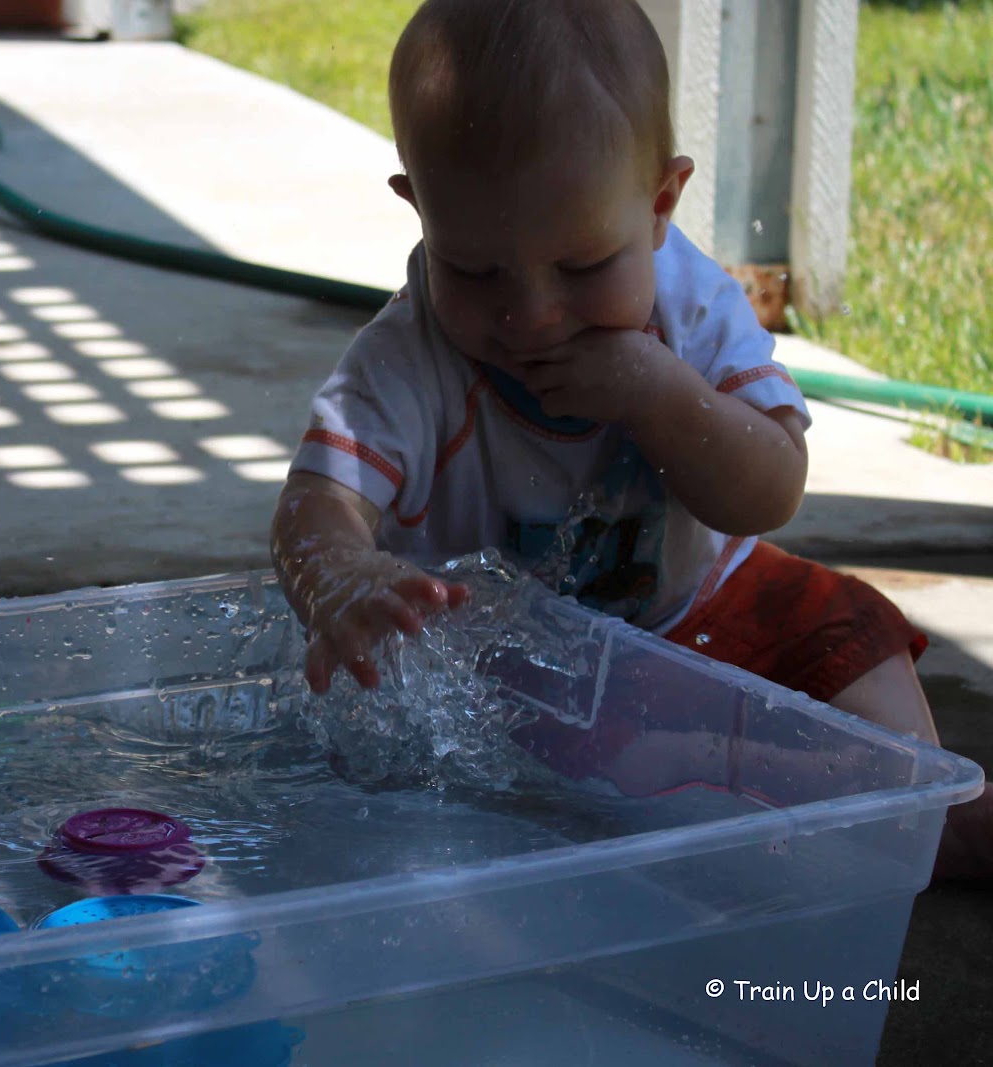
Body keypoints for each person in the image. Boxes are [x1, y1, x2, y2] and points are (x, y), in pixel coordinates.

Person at [269, 0, 989, 881]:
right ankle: (791, 807)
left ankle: (914, 805)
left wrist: (661, 394)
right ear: (420, 209)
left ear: (659, 205)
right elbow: (314, 505)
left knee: (849, 624)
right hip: (523, 668)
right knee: (553, 747)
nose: (530, 314)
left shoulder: (689, 305)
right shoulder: (411, 355)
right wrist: (340, 574)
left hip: (699, 605)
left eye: (581, 268)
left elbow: (770, 492)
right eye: (475, 269)